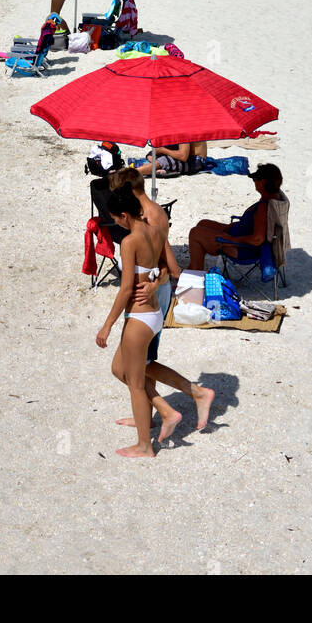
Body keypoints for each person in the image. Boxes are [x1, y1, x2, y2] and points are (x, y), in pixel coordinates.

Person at [96, 190, 214, 457]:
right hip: (155, 314)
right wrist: (153, 284)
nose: (117, 224)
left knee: (136, 384)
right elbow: (167, 270)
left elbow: (126, 289)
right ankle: (158, 413)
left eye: (116, 220)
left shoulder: (129, 242)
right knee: (119, 369)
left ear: (124, 216)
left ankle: (145, 445)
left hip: (138, 318)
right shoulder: (158, 231)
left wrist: (107, 325)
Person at [188, 162, 289, 270]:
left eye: (255, 180)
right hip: (242, 236)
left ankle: (195, 271)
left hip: (243, 248)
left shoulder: (264, 208)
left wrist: (232, 239)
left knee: (195, 233)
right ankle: (195, 264)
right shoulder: (277, 198)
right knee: (203, 223)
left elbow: (257, 239)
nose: (254, 183)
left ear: (262, 182)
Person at [134, 140, 207, 179]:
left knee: (162, 161)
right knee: (151, 154)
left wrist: (163, 150)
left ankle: (129, 174)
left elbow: (183, 156)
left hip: (195, 160)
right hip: (184, 154)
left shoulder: (183, 128)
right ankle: (163, 167)